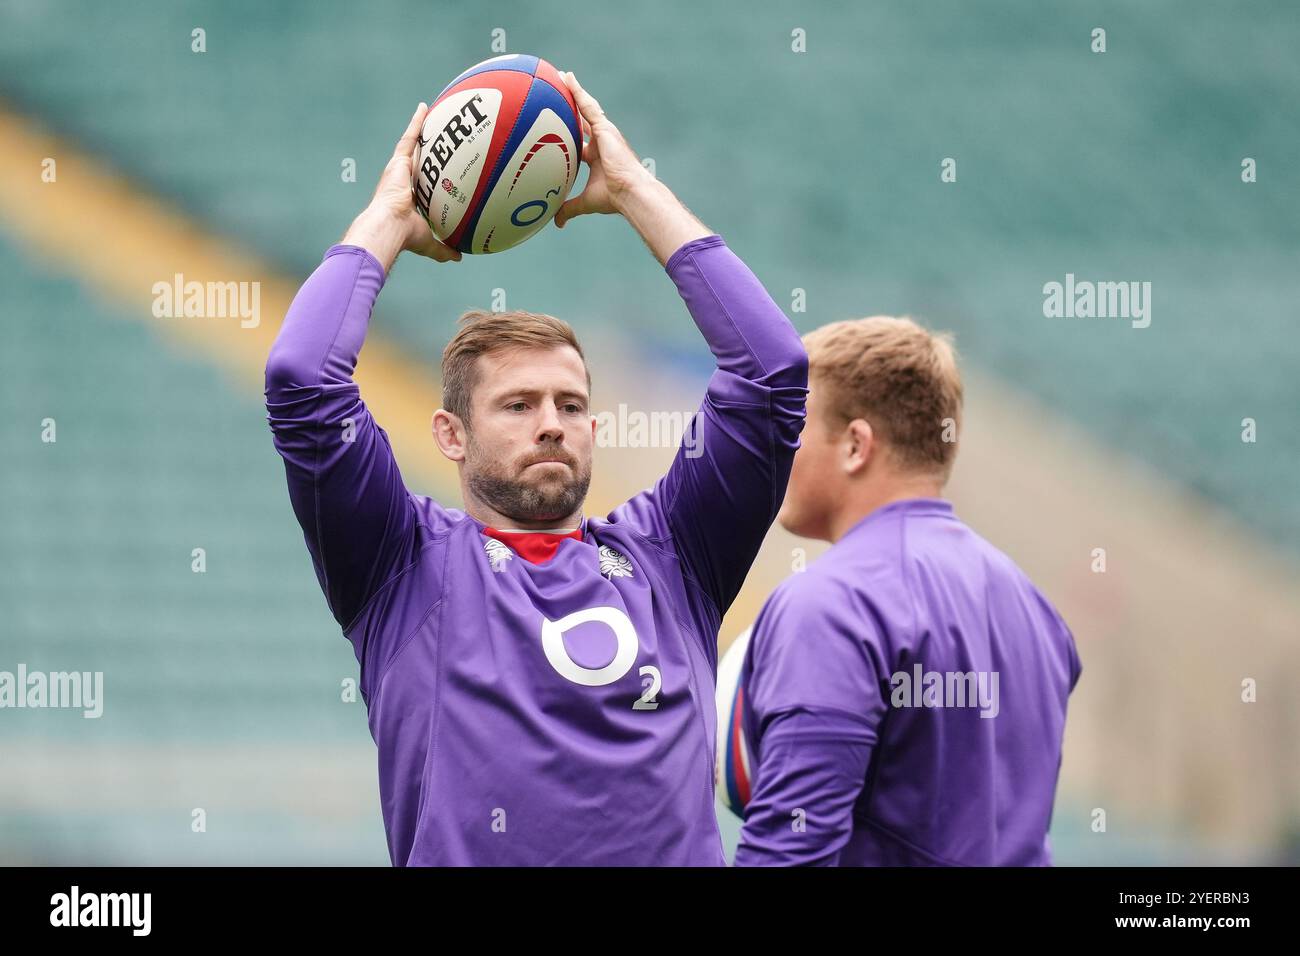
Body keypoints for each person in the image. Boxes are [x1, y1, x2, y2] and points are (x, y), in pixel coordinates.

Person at [264, 71, 807, 865]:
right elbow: (302, 378)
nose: (552, 424)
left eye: (571, 404)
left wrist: (631, 188)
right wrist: (385, 219)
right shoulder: (399, 565)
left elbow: (771, 375)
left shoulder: (673, 554)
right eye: (517, 406)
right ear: (450, 434)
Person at [730, 316, 1081, 866]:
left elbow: (790, 853)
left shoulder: (832, 603)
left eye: (794, 427)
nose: (779, 449)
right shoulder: (1035, 609)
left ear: (855, 445)